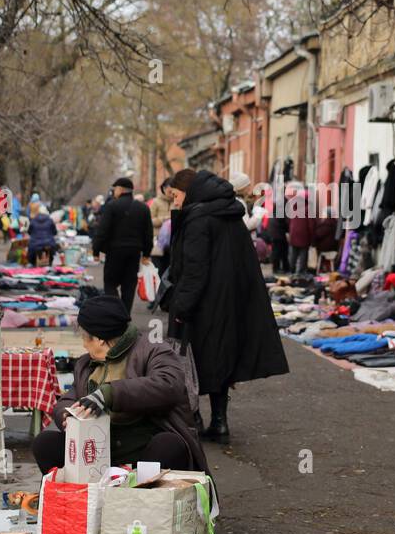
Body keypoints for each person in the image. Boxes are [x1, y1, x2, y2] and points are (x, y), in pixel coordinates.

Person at [163, 168, 288, 443]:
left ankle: (192, 421)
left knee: (187, 361)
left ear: (189, 191)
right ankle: (219, 421)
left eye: (175, 195)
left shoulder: (198, 219)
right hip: (229, 300)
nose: (174, 201)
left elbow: (194, 269)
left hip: (202, 303)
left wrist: (181, 307)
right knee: (220, 359)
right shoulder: (228, 212)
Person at [32, 296, 212, 479]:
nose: (83, 343)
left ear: (100, 339)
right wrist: (66, 414)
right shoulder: (86, 364)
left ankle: (143, 499)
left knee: (168, 445)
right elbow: (69, 398)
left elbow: (168, 384)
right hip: (98, 451)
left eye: (85, 337)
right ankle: (75, 500)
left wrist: (109, 394)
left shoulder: (154, 351)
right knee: (45, 443)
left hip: (143, 449)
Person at [92, 177, 153, 314]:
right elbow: (148, 233)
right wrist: (147, 254)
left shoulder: (112, 206)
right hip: (134, 253)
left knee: (110, 283)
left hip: (114, 252)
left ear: (120, 189)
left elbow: (102, 230)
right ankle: (125, 315)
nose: (114, 192)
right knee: (129, 286)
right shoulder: (143, 208)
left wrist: (96, 251)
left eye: (115, 189)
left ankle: (115, 313)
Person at [148, 181, 172, 268]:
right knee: (158, 270)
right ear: (164, 189)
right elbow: (149, 220)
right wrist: (164, 219)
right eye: (170, 191)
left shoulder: (177, 202)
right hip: (158, 242)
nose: (171, 194)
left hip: (173, 243)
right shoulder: (155, 202)